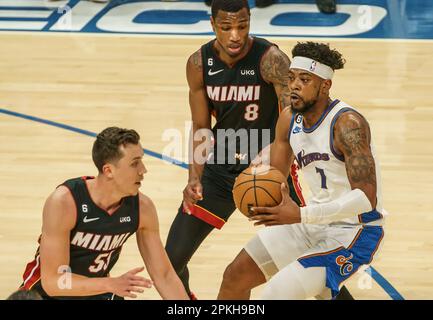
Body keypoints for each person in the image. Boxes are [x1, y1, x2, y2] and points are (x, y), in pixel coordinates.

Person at [165, 0, 353, 300]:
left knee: (304, 255)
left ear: (250, 20)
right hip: (220, 168)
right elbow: (201, 127)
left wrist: (270, 161)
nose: (235, 35)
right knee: (171, 259)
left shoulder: (271, 59)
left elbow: (291, 117)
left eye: (242, 26)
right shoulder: (198, 64)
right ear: (213, 25)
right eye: (226, 28)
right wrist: (194, 177)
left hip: (271, 169)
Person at [217, 41, 385, 300]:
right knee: (234, 276)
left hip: (354, 231)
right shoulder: (288, 119)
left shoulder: (347, 124)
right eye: (292, 77)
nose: (294, 85)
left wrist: (302, 214)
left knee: (275, 294)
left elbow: (366, 200)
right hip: (310, 222)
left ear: (325, 85)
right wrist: (256, 180)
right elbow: (276, 175)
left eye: (304, 79)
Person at [19, 127, 189, 300]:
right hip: (46, 294)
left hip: (95, 290)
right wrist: (109, 284)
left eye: (142, 161)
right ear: (108, 170)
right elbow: (54, 282)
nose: (143, 170)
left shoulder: (142, 208)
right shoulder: (65, 202)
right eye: (134, 163)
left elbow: (165, 276)